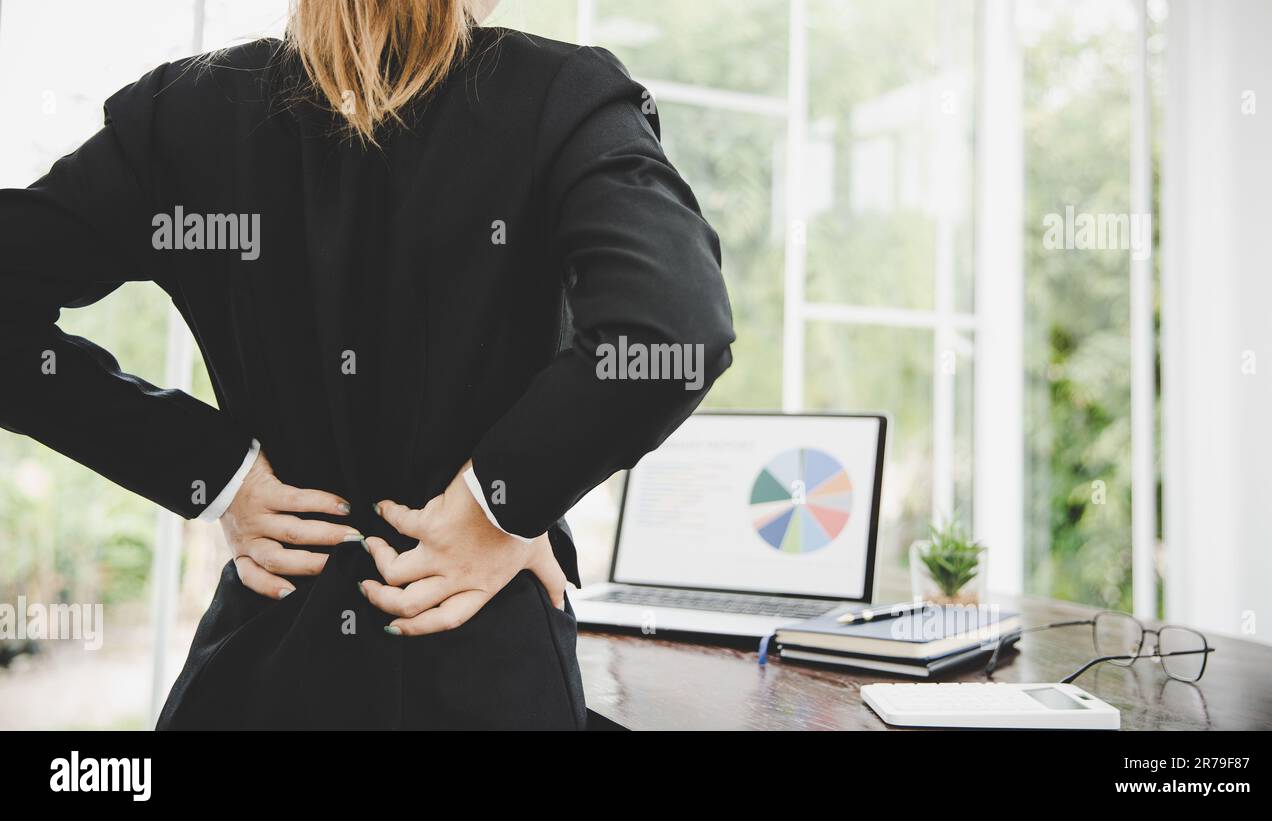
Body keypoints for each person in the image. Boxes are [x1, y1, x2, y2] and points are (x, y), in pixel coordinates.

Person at [0, 0, 733, 729]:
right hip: (479, 664)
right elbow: (673, 329)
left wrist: (216, 470)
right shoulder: (562, 96)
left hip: (261, 671)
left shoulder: (186, 113)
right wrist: (498, 502)